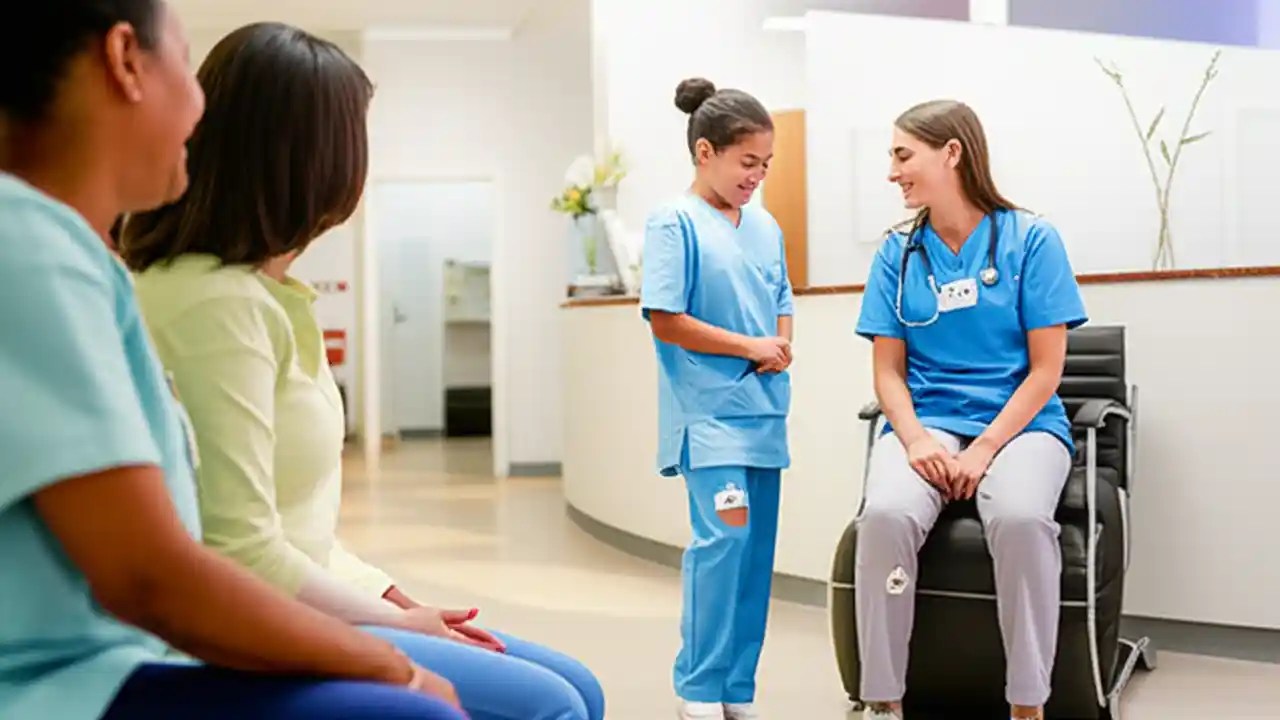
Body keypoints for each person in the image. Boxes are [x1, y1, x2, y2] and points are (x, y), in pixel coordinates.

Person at [119, 21, 604, 720]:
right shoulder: (212, 301)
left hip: (297, 590)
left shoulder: (268, 295)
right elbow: (240, 546)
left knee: (578, 686)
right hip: (241, 618)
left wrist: (396, 600)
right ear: (310, 155)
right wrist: (396, 632)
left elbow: (299, 527)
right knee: (550, 705)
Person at [0, 3, 466, 720]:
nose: (200, 112)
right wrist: (390, 659)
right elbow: (152, 574)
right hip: (74, 680)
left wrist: (389, 615)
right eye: (187, 67)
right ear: (127, 60)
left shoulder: (84, 260)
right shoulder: (31, 248)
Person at [852, 99, 1088, 720]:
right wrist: (914, 440)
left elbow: (1046, 371)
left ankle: (1028, 704)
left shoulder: (1030, 240)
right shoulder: (897, 254)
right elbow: (887, 372)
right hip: (926, 421)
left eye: (903, 155)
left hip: (1021, 426)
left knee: (1018, 519)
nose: (893, 172)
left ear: (951, 153)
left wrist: (985, 447)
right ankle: (883, 700)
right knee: (884, 517)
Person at [639, 77, 794, 720]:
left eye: (765, 164)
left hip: (764, 414)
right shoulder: (672, 223)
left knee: (755, 555)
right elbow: (666, 318)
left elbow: (781, 299)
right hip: (711, 420)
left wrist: (780, 342)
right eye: (746, 162)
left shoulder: (765, 227)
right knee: (723, 544)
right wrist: (751, 348)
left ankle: (737, 690)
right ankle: (698, 690)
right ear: (706, 152)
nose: (756, 175)